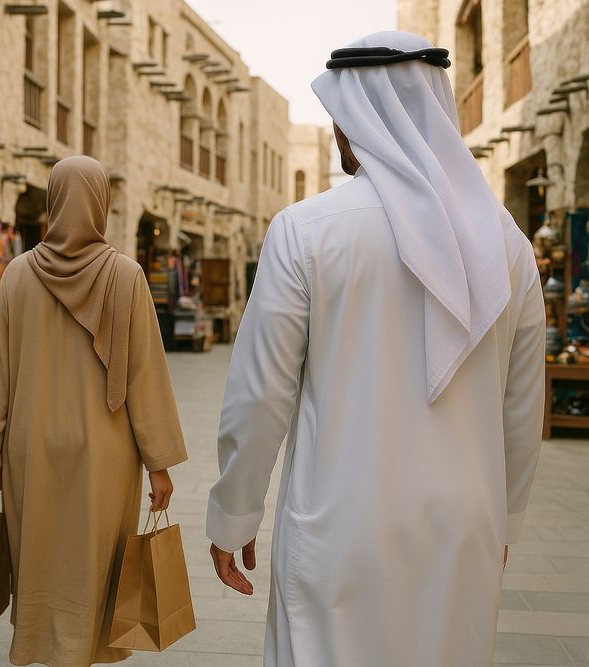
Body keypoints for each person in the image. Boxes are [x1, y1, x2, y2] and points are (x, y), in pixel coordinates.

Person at [206, 32, 545, 666]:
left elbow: (258, 397)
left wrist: (233, 514)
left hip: (340, 528)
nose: (337, 134)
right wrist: (507, 519)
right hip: (464, 529)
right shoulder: (510, 245)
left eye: (341, 117)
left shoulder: (305, 233)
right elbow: (523, 412)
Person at [0, 155, 188, 666]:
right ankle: (82, 653)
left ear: (53, 200)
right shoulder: (126, 276)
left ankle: (40, 646)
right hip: (104, 455)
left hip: (31, 448)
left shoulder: (18, 274)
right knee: (92, 565)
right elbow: (144, 377)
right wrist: (160, 463)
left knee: (38, 558)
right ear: (99, 202)